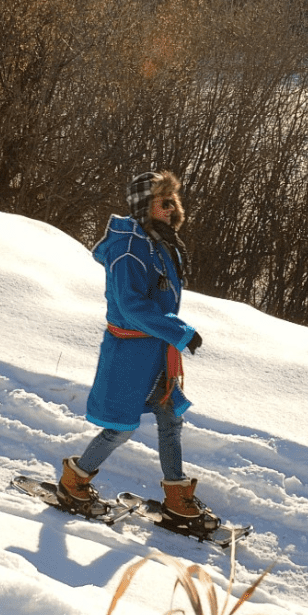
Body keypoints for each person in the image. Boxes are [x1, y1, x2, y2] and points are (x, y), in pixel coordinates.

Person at [58, 171, 209, 522]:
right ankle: (74, 481)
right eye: (164, 202)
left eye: (174, 202)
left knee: (170, 417)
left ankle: (176, 496)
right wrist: (181, 331)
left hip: (158, 350)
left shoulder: (159, 241)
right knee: (121, 426)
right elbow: (131, 308)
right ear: (145, 207)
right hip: (131, 352)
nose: (172, 209)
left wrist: (172, 334)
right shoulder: (130, 249)